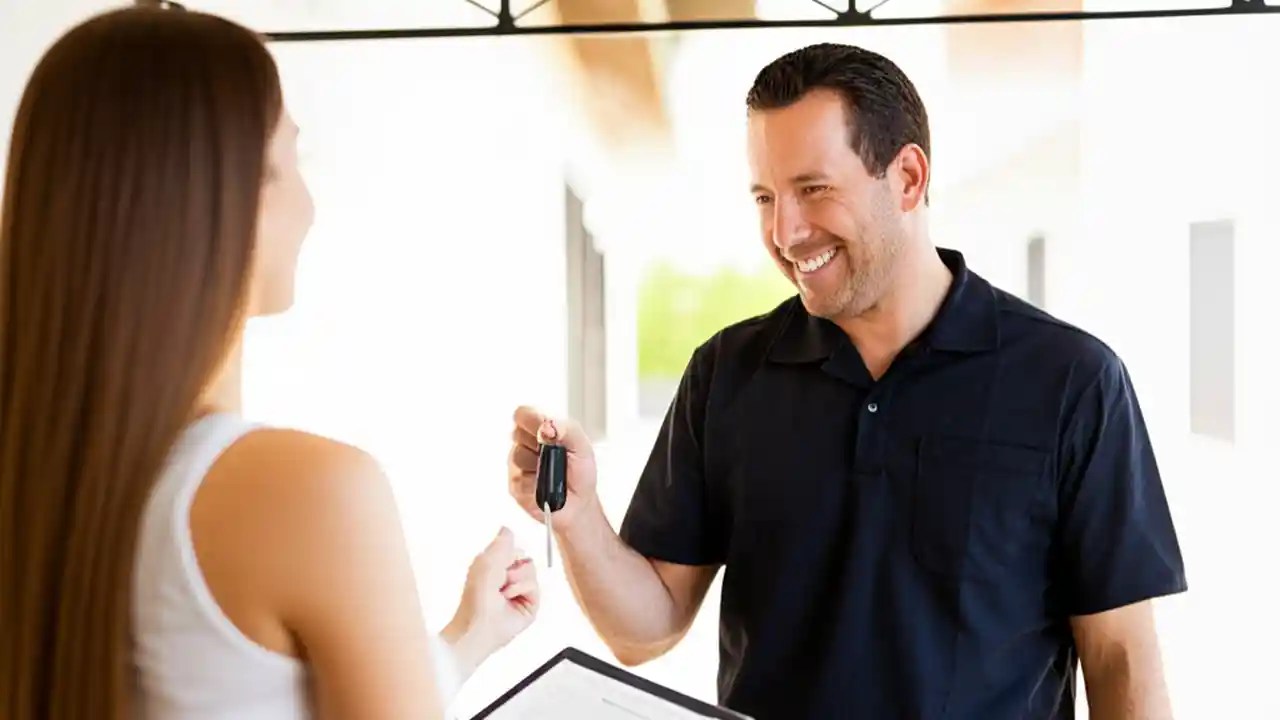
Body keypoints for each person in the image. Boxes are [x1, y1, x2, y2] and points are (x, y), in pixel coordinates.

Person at [509, 42, 1186, 720]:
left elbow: (1120, 657)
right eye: (766, 197)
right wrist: (578, 515)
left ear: (908, 178)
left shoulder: (1071, 382)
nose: (785, 232)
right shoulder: (726, 374)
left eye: (813, 189)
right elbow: (644, 630)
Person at [0, 7, 537, 720]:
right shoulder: (311, 490)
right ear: (217, 199)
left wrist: (466, 639)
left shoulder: (39, 480)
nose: (308, 206)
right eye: (289, 163)